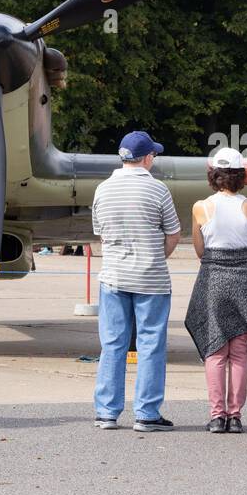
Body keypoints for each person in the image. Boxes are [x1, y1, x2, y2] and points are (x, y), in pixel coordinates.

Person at [91, 131, 182, 432]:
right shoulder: (158, 190)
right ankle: (146, 413)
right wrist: (157, 256)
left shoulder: (102, 189)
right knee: (151, 345)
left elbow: (99, 233)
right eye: (153, 154)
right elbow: (173, 234)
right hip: (151, 279)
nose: (154, 159)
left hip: (114, 276)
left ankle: (106, 412)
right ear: (145, 158)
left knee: (112, 344)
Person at [185, 148, 247, 434]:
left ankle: (216, 416)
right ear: (240, 176)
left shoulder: (201, 207)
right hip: (246, 279)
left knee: (214, 351)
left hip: (213, 279)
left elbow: (200, 250)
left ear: (213, 175)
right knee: (239, 352)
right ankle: (235, 416)